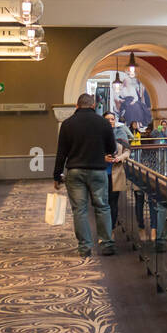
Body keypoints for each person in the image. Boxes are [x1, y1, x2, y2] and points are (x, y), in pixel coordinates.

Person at [53, 93, 118, 257]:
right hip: (98, 171)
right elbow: (112, 148)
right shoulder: (103, 123)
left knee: (79, 210)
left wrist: (57, 176)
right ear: (93, 105)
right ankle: (107, 245)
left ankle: (85, 247)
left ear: (77, 106)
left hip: (74, 172)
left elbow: (61, 152)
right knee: (102, 207)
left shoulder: (67, 124)